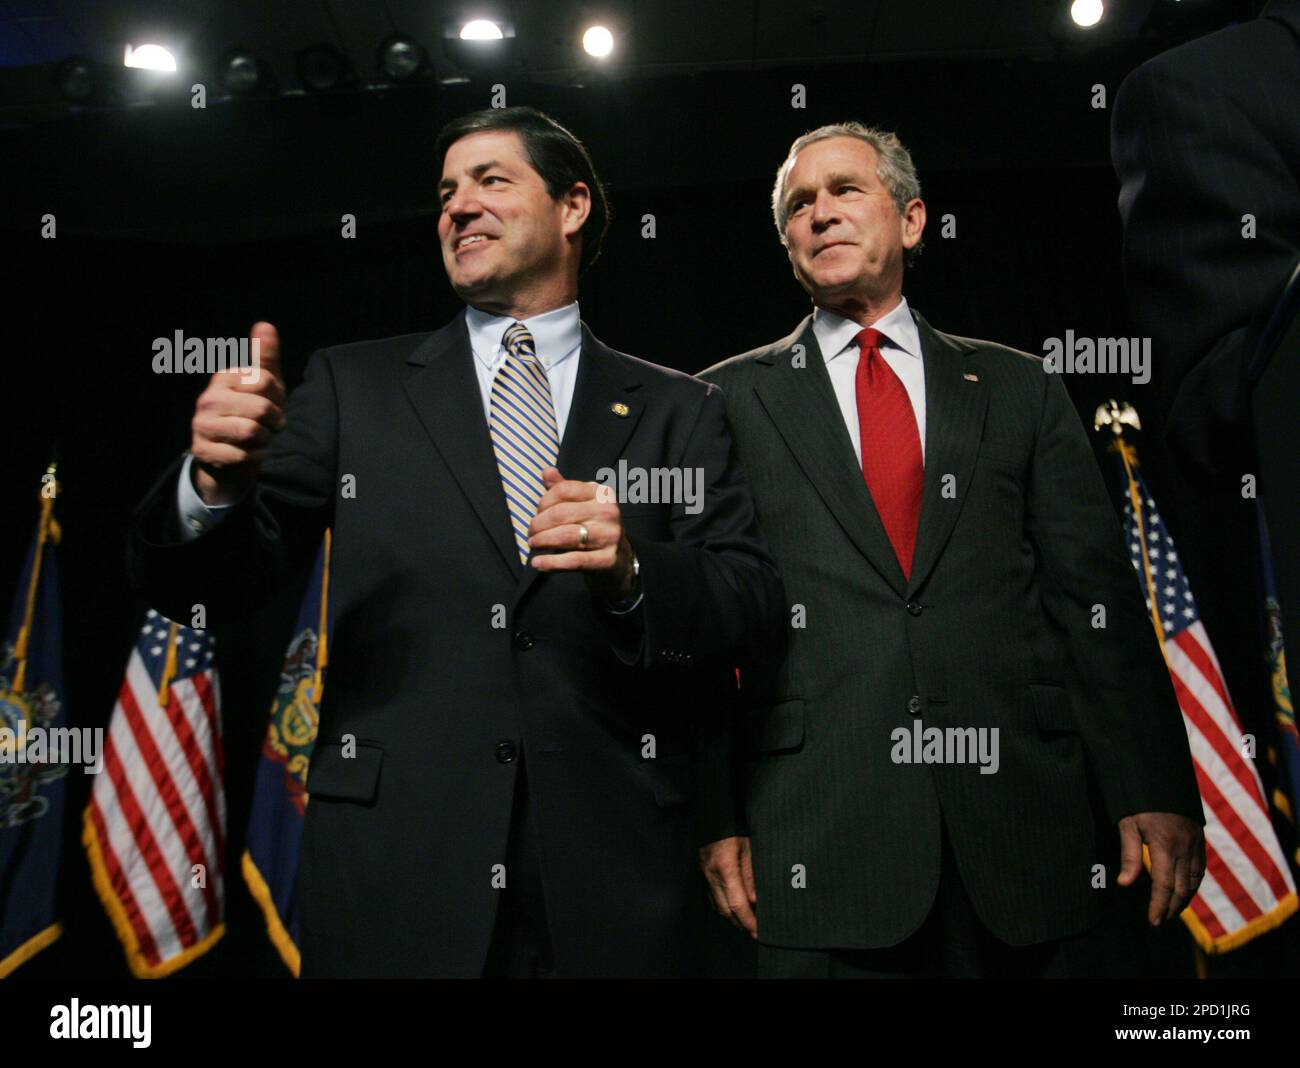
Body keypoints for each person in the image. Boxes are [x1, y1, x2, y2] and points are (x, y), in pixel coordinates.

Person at [128, 106, 784, 978]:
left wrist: (633, 572)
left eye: (491, 181)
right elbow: (215, 585)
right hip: (397, 873)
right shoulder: (352, 387)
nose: (458, 207)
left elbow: (749, 605)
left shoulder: (678, 409)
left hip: (610, 881)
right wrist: (212, 485)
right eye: (445, 193)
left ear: (574, 207)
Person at [696, 122, 1205, 978]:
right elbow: (711, 632)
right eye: (798, 205)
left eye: (845, 191)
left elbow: (1096, 602)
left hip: (1024, 835)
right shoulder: (719, 401)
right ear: (786, 241)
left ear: (914, 219)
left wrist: (1149, 783)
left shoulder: (1020, 386)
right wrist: (717, 814)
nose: (819, 214)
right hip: (818, 842)